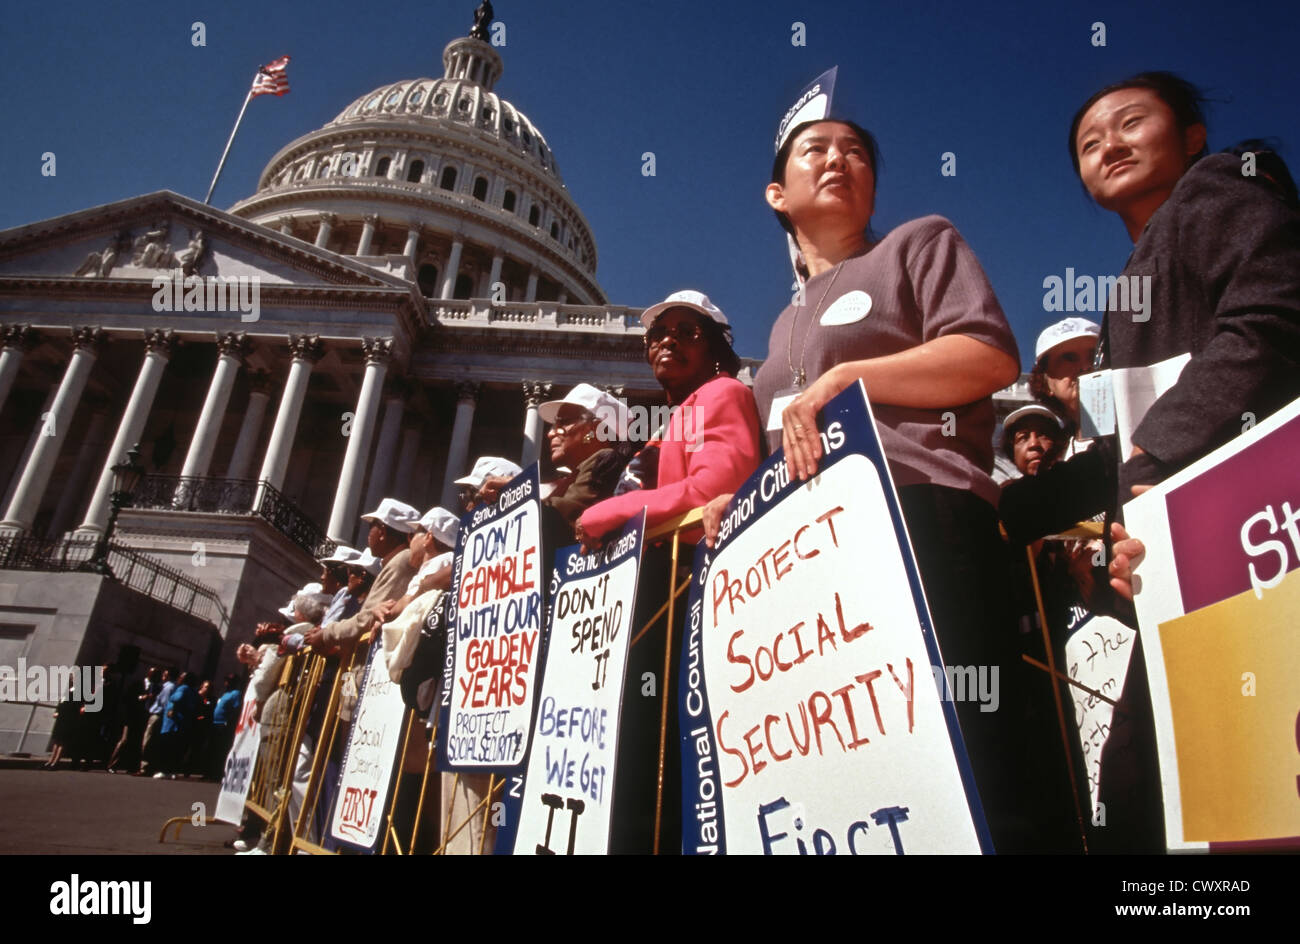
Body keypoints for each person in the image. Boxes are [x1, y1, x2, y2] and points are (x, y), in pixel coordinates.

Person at [713, 113, 1071, 853]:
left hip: (924, 515)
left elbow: (987, 356)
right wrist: (740, 498)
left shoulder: (921, 242)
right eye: (817, 150)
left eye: (857, 153)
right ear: (777, 194)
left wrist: (850, 378)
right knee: (856, 758)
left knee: (966, 750)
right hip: (810, 556)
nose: (840, 159)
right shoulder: (781, 327)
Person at [579, 290, 761, 546]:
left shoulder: (722, 392)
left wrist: (609, 514)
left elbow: (710, 495)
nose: (667, 341)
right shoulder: (671, 419)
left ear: (715, 349)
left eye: (687, 332)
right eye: (657, 334)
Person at [536, 383, 631, 537]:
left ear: (596, 430)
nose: (551, 433)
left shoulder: (606, 461)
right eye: (554, 425)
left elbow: (560, 514)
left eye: (564, 422)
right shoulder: (568, 479)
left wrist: (518, 495)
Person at [1028, 318, 1100, 458]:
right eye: (1069, 358)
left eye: (1093, 357)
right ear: (1045, 381)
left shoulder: (1138, 430)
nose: (1085, 367)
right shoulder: (1051, 460)